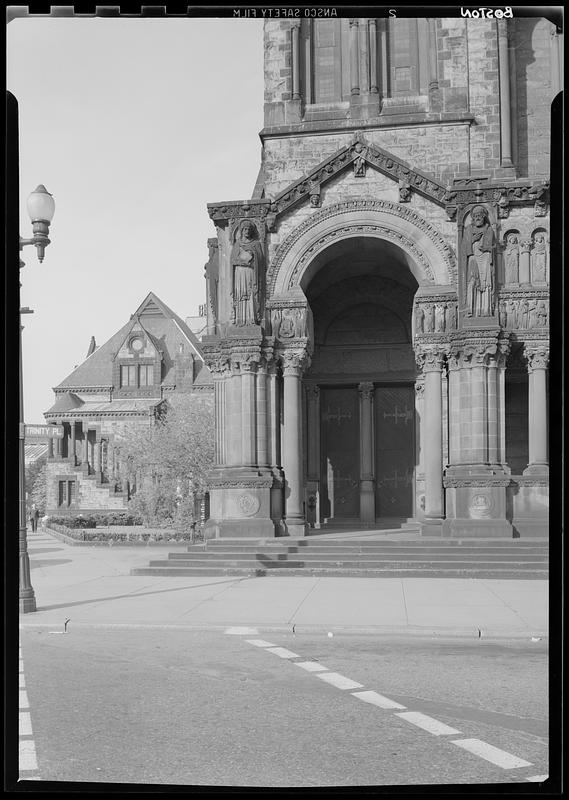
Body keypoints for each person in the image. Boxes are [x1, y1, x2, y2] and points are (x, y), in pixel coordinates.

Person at [463, 205, 495, 316]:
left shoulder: (489, 229)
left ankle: (485, 310)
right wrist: (473, 239)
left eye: (479, 216)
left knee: (486, 282)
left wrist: (487, 248)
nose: (477, 218)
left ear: (483, 216)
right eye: (475, 216)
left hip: (485, 257)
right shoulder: (469, 229)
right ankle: (471, 310)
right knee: (472, 281)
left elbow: (493, 247)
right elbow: (464, 247)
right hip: (473, 257)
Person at [231, 221, 265, 325]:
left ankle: (252, 319)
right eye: (245, 229)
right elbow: (233, 260)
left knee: (251, 294)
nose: (247, 231)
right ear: (241, 231)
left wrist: (253, 255)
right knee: (241, 295)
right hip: (240, 273)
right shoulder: (237, 244)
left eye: (249, 229)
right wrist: (243, 261)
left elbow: (261, 260)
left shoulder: (256, 244)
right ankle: (240, 320)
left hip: (251, 272)